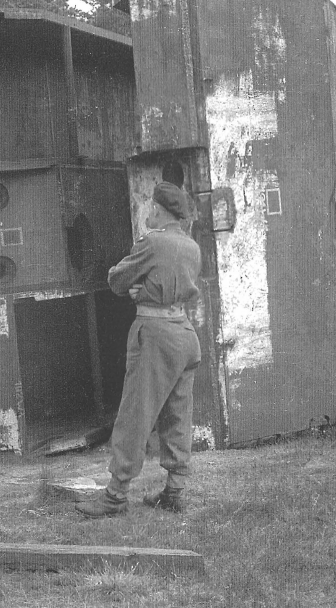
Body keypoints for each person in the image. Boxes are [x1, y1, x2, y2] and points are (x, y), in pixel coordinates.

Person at [76, 182, 202, 517]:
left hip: (156, 334)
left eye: (150, 206)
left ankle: (115, 495)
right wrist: (147, 290)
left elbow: (117, 280)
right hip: (184, 334)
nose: (147, 211)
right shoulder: (191, 246)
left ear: (159, 210)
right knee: (178, 414)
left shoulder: (153, 242)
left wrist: (137, 289)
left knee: (136, 412)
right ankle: (175, 491)